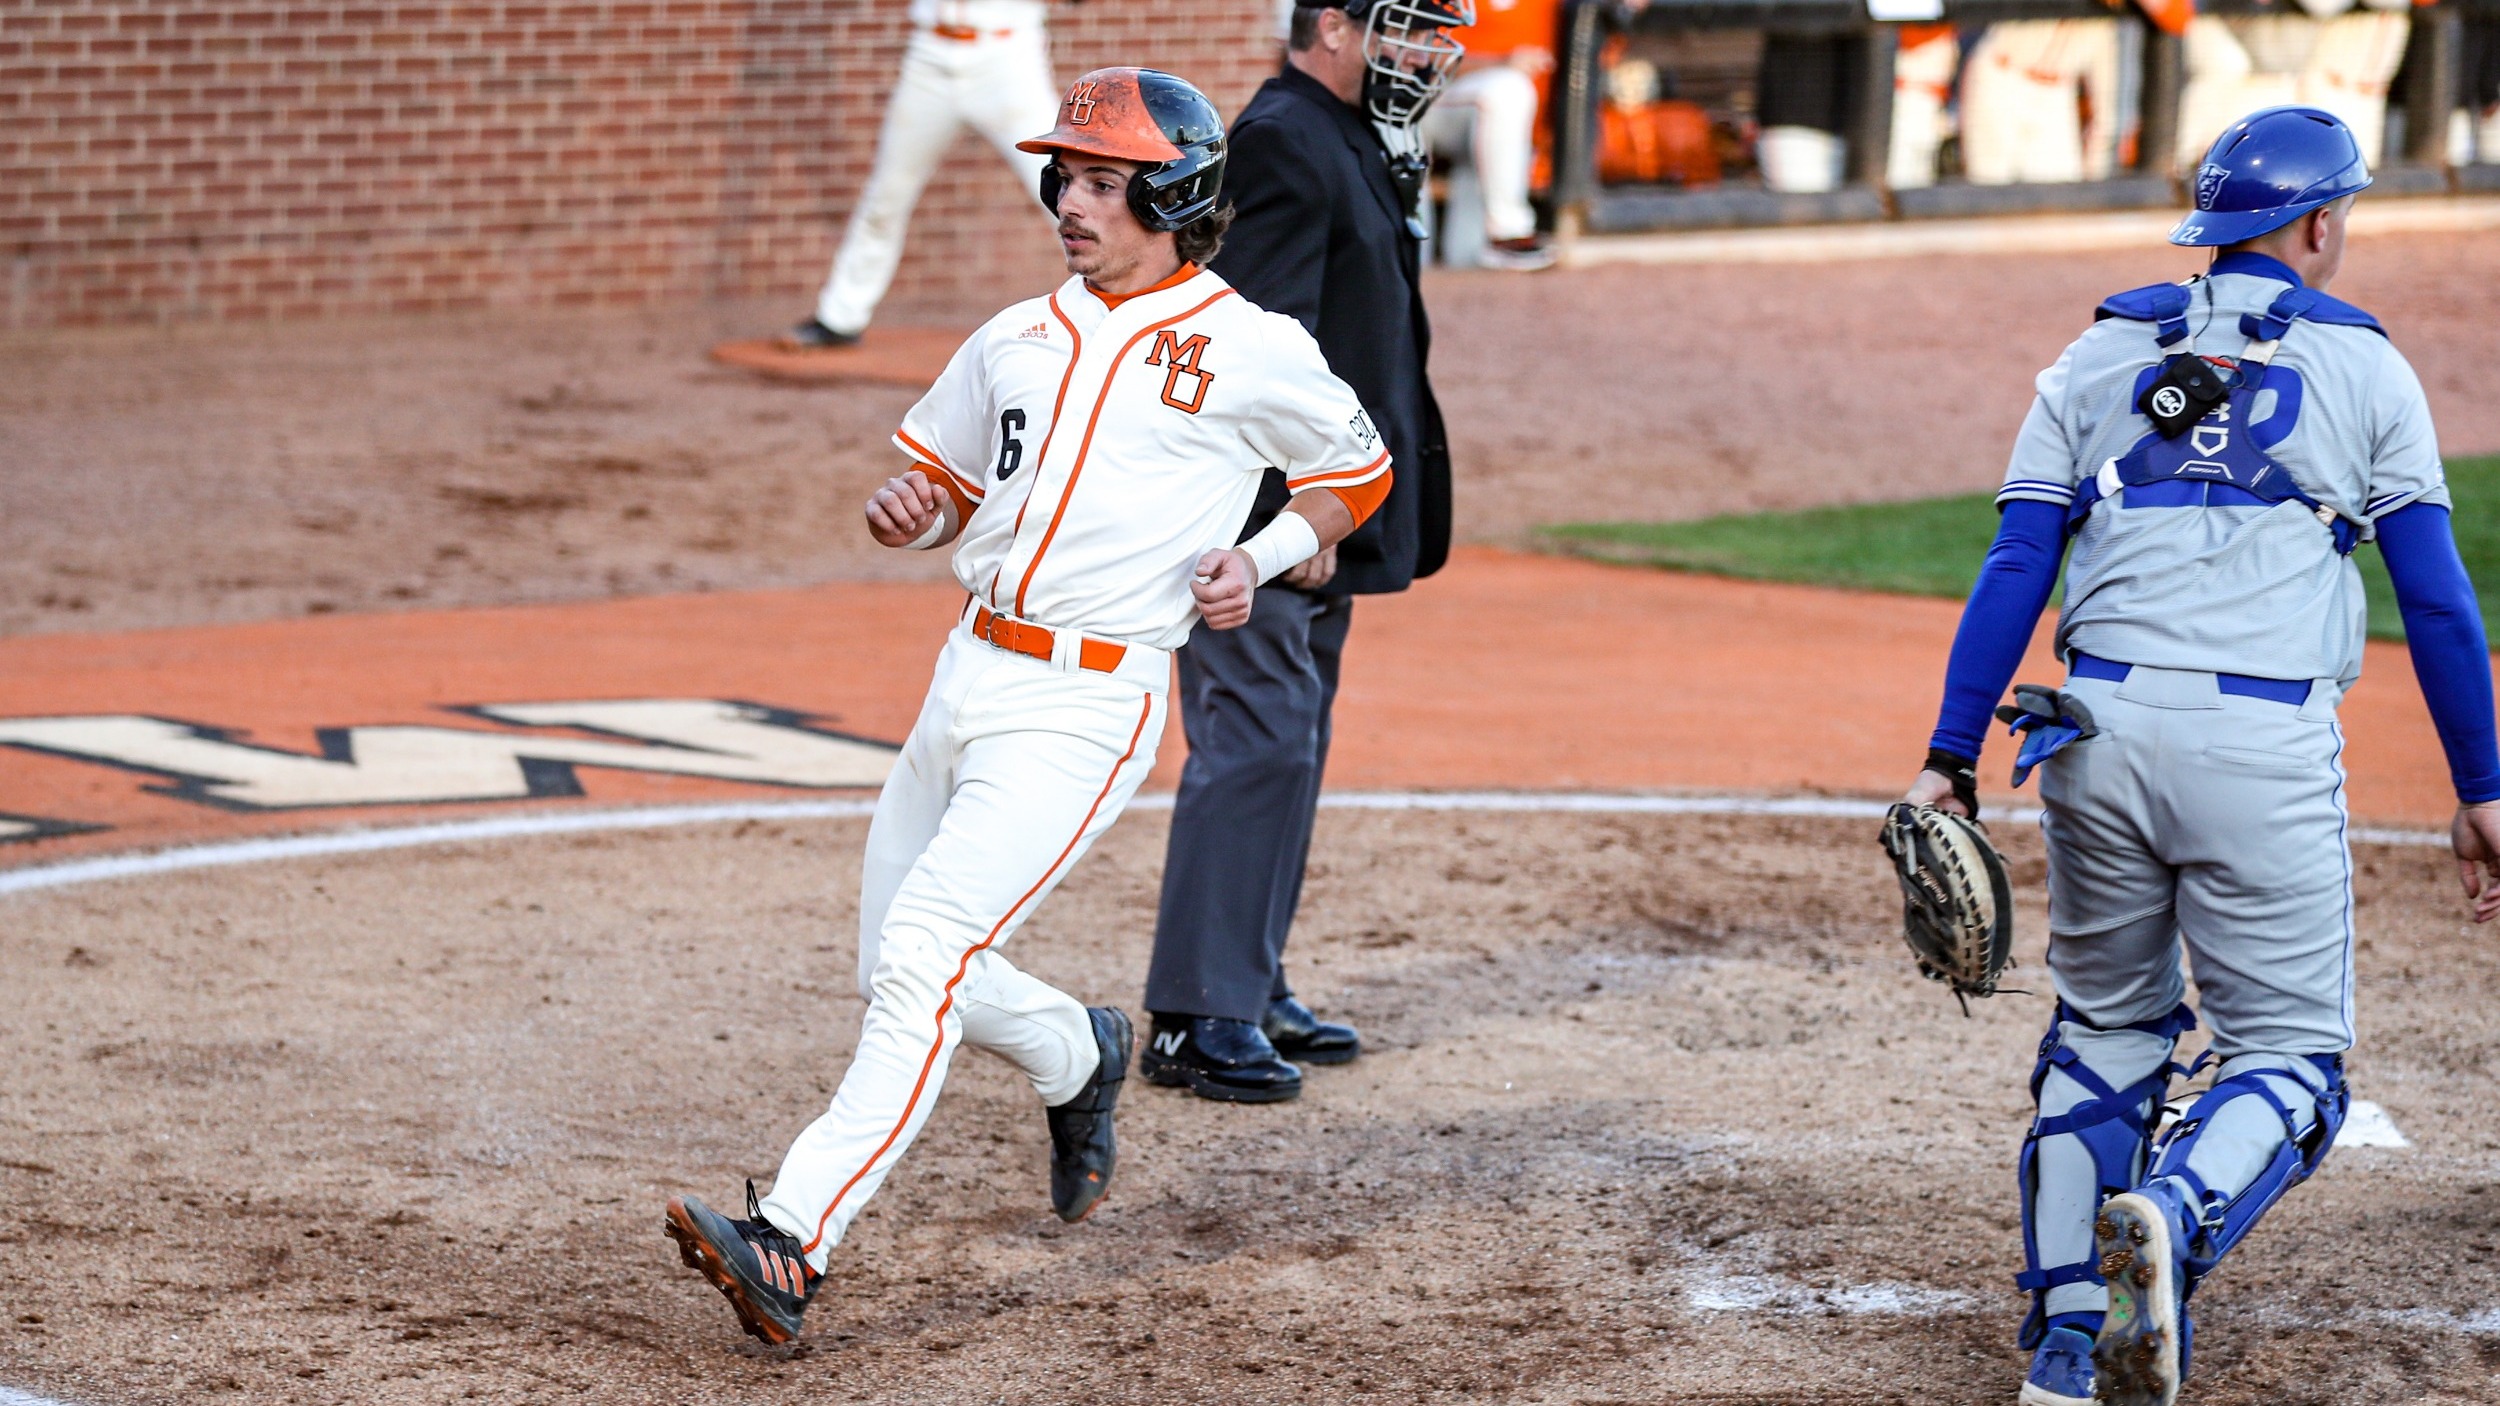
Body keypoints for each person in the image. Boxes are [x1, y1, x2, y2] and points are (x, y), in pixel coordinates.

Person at [663, 67, 1397, 1344]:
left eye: (1104, 183)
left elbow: (1357, 467)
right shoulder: (1013, 334)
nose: (1070, 200)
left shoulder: (1249, 346)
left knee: (925, 955)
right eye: (1066, 176)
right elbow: (943, 479)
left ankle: (792, 1236)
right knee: (893, 958)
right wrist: (915, 510)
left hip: (1086, 702)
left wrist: (1262, 555)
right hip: (964, 673)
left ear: (1176, 195)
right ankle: (1075, 1051)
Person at [1899, 106, 2500, 1406]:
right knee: (2288, 1057)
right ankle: (2173, 1212)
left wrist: (1948, 752)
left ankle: (2065, 1346)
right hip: (2259, 745)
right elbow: (2439, 601)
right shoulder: (2369, 372)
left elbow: (2017, 561)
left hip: (2089, 732)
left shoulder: (2094, 353)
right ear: (2322, 224)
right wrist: (2483, 787)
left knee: (2108, 1024)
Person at [1137, 0, 1462, 1104]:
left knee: (1292, 742)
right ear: (1332, 23)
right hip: (1264, 530)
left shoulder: (1345, 134)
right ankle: (1195, 1014)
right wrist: (1286, 521)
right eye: (1408, 28)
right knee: (1256, 742)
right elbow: (1242, 345)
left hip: (1321, 521)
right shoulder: (1280, 136)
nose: (1424, 55)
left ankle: (1248, 979)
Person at [778, 0, 1067, 350]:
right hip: (930, 55)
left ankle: (1113, 309)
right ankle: (840, 317)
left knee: (1064, 190)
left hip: (1007, 57)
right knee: (887, 195)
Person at [1420, 0, 1558, 268]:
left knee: (1467, 259)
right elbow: (1421, 57)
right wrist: (1501, 62)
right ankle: (1508, 232)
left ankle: (1481, 253)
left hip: (1496, 126)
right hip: (1432, 103)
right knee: (1507, 89)